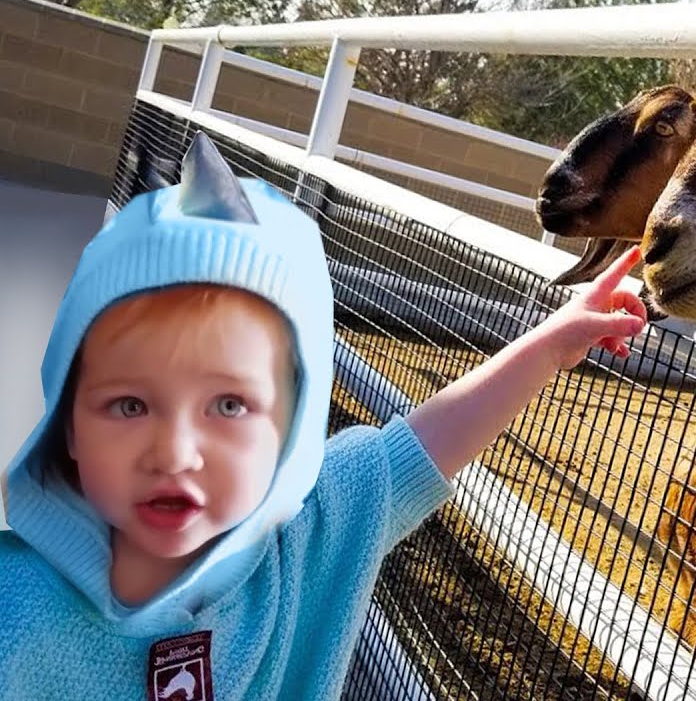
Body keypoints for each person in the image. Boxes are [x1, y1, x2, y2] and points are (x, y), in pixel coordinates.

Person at [0, 132, 648, 699]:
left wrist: (552, 341)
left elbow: (419, 450)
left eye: (228, 406)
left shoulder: (304, 534)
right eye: (132, 405)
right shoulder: (20, 605)